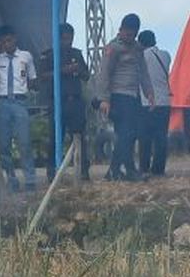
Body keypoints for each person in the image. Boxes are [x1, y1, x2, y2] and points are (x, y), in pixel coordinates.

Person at [95, 14, 155, 182]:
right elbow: (104, 74)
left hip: (133, 96)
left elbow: (143, 72)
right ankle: (126, 170)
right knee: (127, 134)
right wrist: (104, 99)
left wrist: (149, 92)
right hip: (118, 96)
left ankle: (116, 172)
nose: (130, 37)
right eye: (127, 33)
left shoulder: (137, 49)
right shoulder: (113, 48)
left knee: (129, 134)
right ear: (121, 30)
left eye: (133, 34)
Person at [0, 25, 38, 191]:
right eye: (3, 42)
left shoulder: (26, 56)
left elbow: (32, 79)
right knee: (4, 145)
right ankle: (12, 179)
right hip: (2, 103)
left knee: (24, 142)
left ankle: (30, 179)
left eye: (9, 40)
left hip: (19, 101)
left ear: (15, 38)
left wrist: (26, 91)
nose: (6, 44)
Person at [55, 23, 91, 180]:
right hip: (58, 102)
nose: (67, 42)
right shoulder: (51, 55)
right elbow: (43, 76)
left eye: (70, 38)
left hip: (75, 101)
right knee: (56, 137)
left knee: (80, 137)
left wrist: (78, 69)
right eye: (64, 39)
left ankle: (83, 171)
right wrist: (62, 71)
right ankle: (54, 172)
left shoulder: (77, 54)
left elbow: (86, 75)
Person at [136, 30, 172, 177]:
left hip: (146, 102)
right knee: (161, 137)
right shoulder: (166, 55)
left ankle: (144, 168)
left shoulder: (141, 57)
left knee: (145, 138)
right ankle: (159, 169)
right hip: (164, 101)